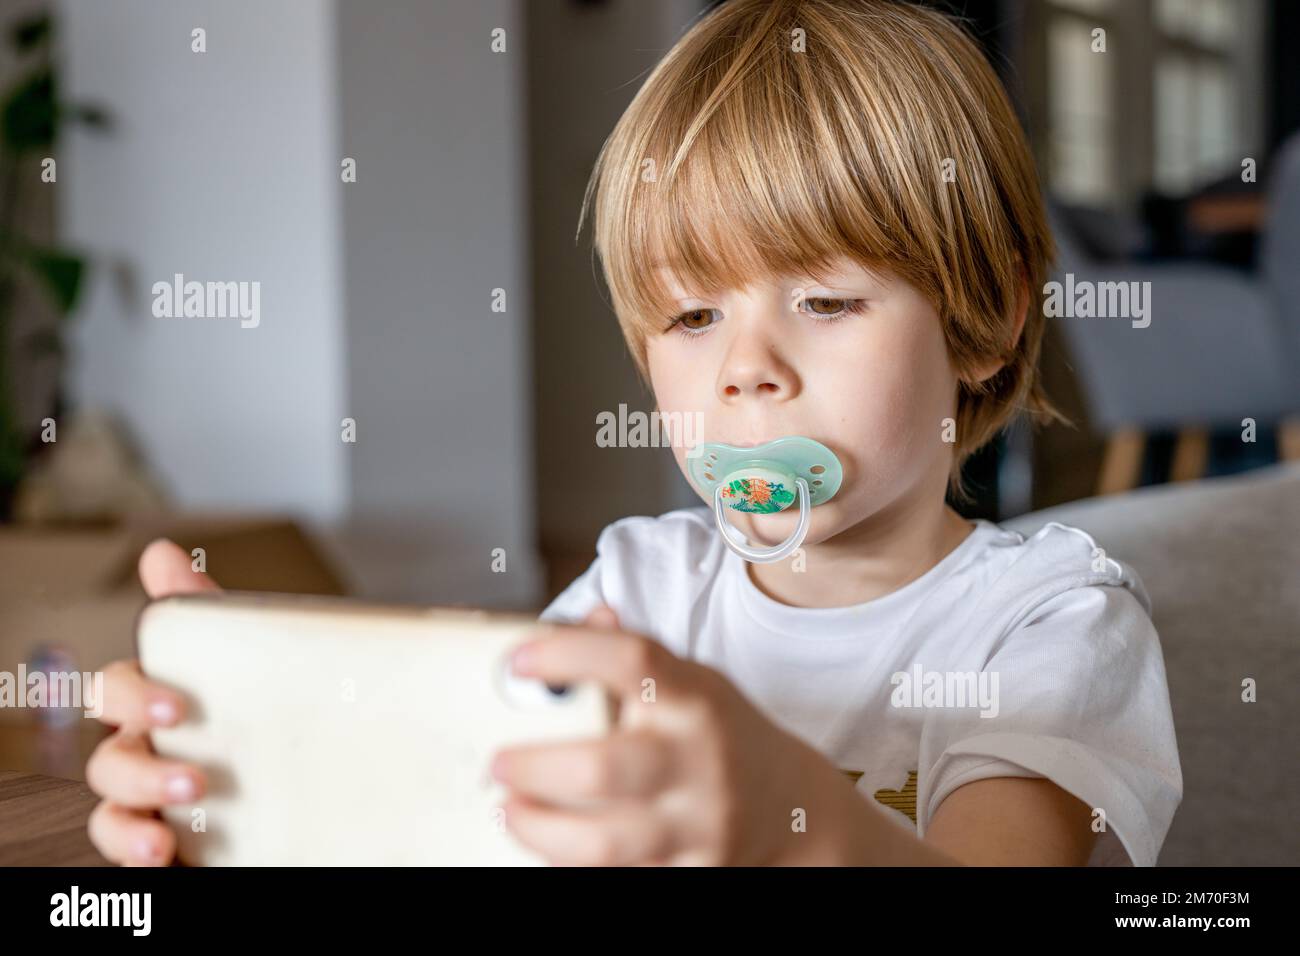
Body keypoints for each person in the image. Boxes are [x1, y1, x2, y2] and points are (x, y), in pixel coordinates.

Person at [85, 0, 1181, 866]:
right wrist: (253, 781)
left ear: (982, 321)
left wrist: (782, 821)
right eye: (694, 315)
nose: (747, 367)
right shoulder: (640, 585)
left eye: (827, 301)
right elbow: (476, 815)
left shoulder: (1046, 623)